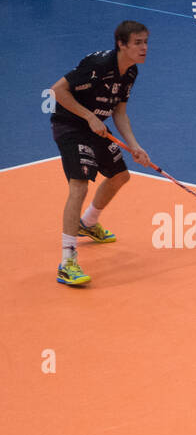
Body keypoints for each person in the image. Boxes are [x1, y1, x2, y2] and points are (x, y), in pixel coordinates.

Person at [49, 21, 151, 287]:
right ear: (122, 44)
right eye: (138, 42)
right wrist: (89, 116)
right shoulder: (98, 66)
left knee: (120, 176)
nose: (144, 48)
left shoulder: (130, 73)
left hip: (95, 128)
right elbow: (58, 90)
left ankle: (88, 222)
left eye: (145, 42)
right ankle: (67, 261)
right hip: (70, 126)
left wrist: (135, 145)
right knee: (79, 186)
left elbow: (120, 112)